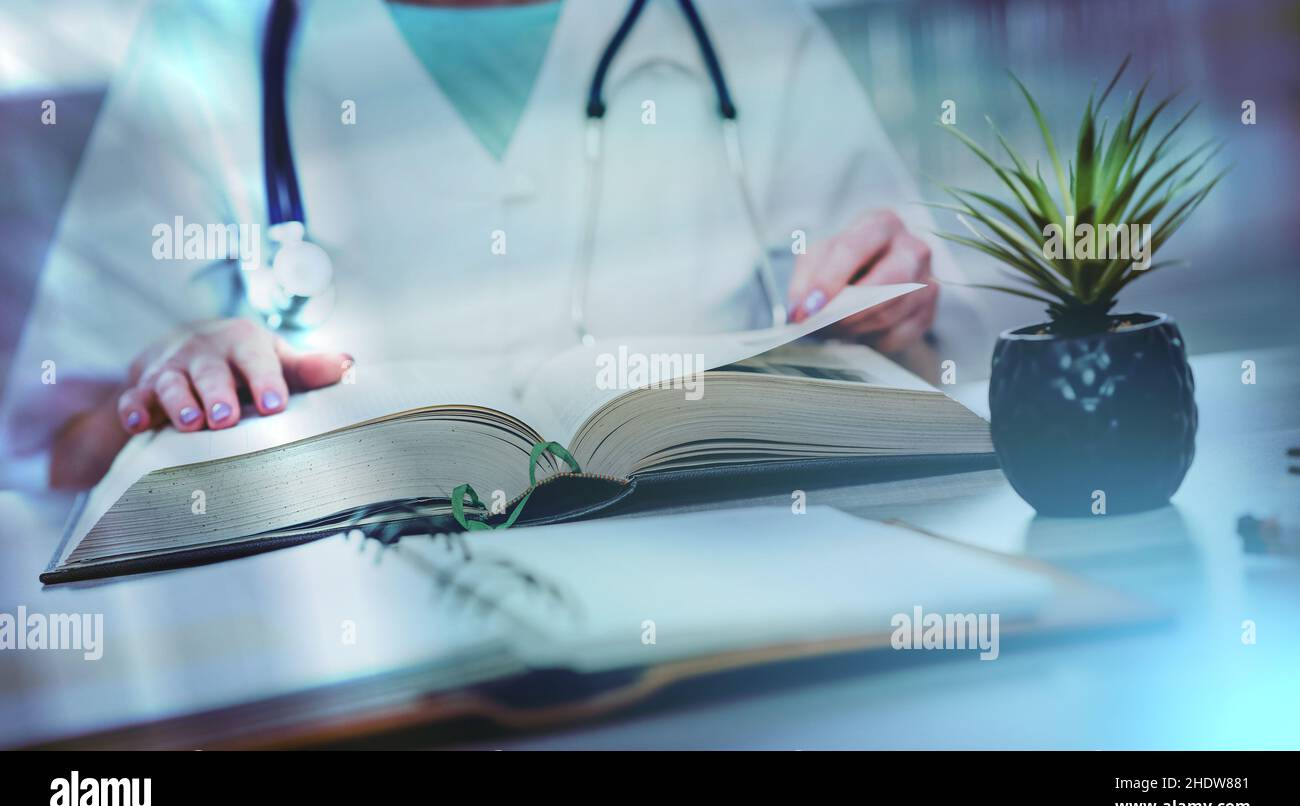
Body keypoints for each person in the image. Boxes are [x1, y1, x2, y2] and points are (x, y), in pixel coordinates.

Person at [0, 0, 988, 490]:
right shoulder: (209, 38)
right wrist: (166, 393)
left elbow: (942, 372)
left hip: (737, 661)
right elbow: (58, 458)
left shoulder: (746, 28)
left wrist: (898, 309)